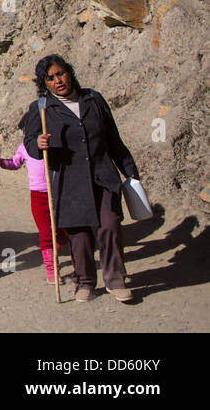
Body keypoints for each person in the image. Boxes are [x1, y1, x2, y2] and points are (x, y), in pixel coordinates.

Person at [22, 54, 140, 303]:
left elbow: (113, 139)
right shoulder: (41, 109)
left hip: (103, 176)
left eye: (61, 73)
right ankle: (85, 282)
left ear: (70, 72)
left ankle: (116, 280)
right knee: (80, 236)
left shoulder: (93, 99)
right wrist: (38, 143)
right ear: (45, 83)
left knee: (110, 226)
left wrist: (129, 170)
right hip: (69, 181)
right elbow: (30, 142)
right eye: (50, 78)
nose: (58, 80)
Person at [0, 140, 70, 284]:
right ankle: (52, 270)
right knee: (46, 232)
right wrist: (0, 162)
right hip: (38, 196)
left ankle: (55, 248)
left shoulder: (56, 142)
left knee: (64, 232)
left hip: (59, 192)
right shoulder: (26, 146)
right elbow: (15, 163)